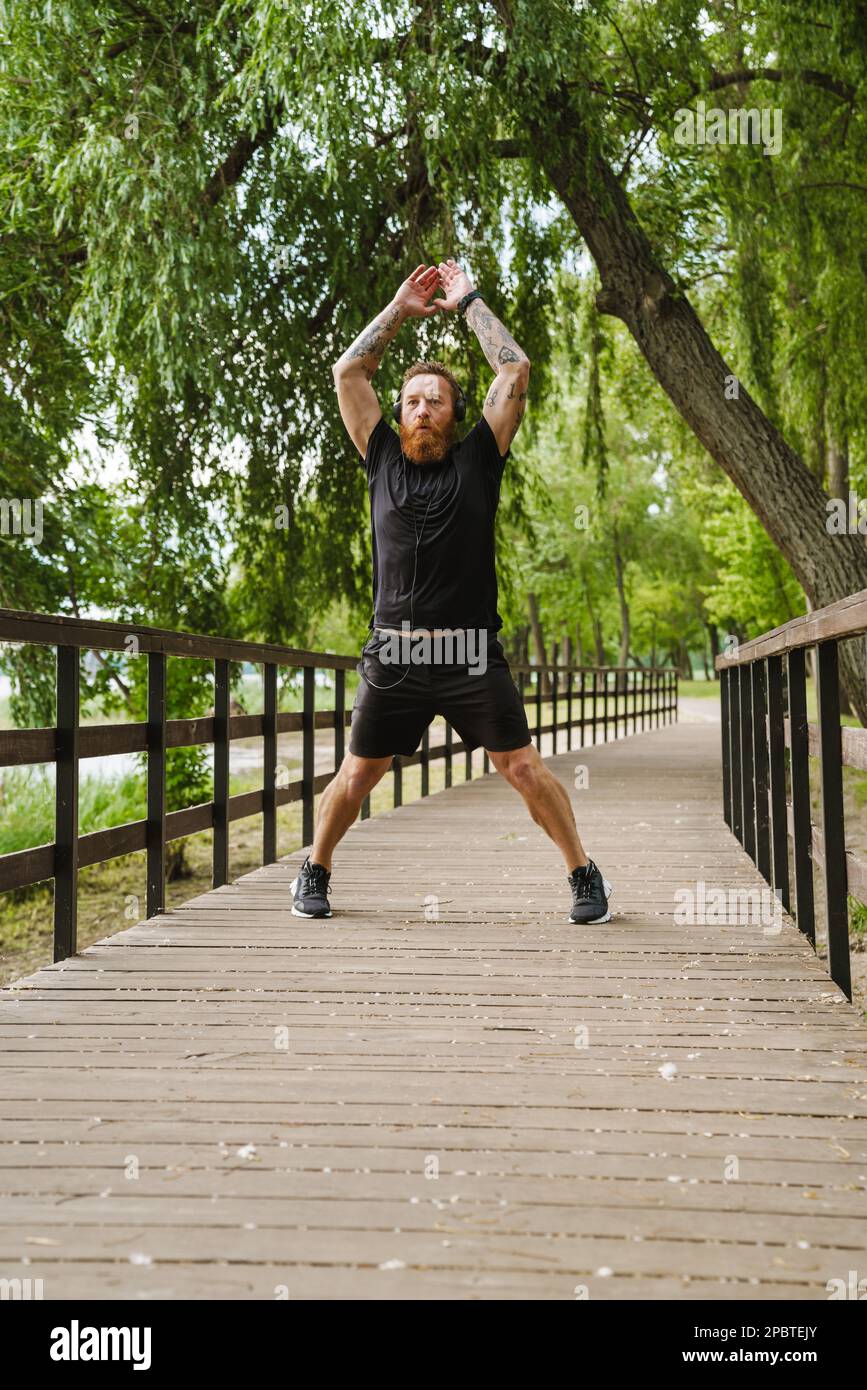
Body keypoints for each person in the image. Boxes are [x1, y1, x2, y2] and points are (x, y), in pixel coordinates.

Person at [290, 260, 612, 925]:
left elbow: (515, 368)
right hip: (394, 654)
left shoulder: (479, 459)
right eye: (413, 400)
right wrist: (399, 308)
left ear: (455, 413)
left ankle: (582, 873)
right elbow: (348, 373)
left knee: (522, 767)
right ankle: (314, 870)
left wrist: (468, 301)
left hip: (469, 654)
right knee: (358, 774)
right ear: (399, 412)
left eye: (435, 400)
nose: (422, 409)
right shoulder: (380, 456)